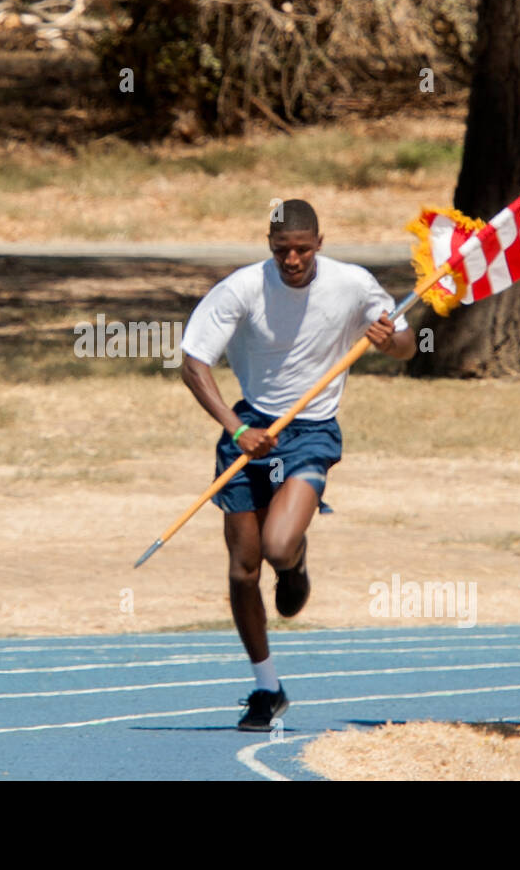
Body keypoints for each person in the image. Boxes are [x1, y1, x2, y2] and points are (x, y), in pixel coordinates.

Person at [179, 199, 415, 730]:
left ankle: (297, 556)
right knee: (243, 570)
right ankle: (267, 689)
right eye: (282, 249)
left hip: (310, 432)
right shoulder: (241, 289)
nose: (292, 259)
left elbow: (406, 344)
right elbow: (194, 365)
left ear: (320, 243)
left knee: (277, 547)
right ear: (269, 245)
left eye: (302, 249)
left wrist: (389, 340)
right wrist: (235, 429)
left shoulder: (352, 284)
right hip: (248, 431)